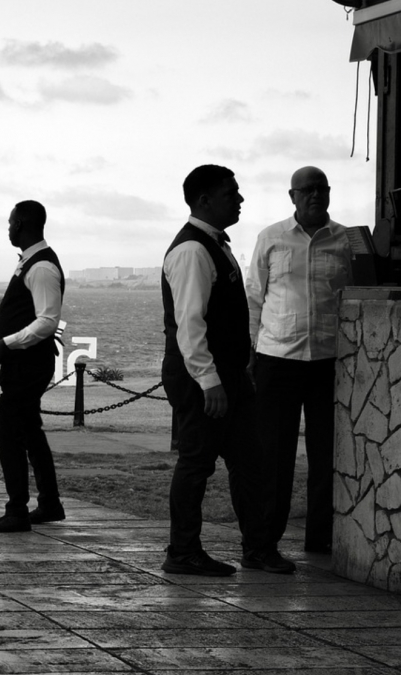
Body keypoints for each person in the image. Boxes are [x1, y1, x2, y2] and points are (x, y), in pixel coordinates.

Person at [161, 164, 282, 576]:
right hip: (202, 377)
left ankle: (258, 547)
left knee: (250, 462)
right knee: (196, 463)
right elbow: (189, 324)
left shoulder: (214, 244)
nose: (240, 200)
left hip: (227, 375)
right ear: (204, 201)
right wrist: (209, 381)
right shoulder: (193, 250)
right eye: (232, 194)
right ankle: (182, 552)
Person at [246, 166, 351, 556]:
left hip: (329, 362)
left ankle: (320, 538)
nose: (314, 195)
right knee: (274, 456)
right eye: (305, 190)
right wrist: (250, 355)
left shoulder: (345, 241)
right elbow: (254, 299)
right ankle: (264, 543)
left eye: (320, 188)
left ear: (329, 192)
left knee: (327, 453)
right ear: (292, 196)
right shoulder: (270, 238)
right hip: (278, 360)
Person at [0, 200, 66, 533]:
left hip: (28, 366)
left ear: (21, 224)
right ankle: (49, 504)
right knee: (31, 433)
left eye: (10, 223)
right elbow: (21, 306)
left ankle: (17, 510)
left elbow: (47, 322)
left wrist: (4, 343)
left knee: (9, 433)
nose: (7, 228)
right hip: (23, 364)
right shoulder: (30, 264)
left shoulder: (42, 268)